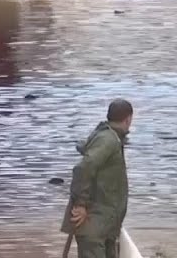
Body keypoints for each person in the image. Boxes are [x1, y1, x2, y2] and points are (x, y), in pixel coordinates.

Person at [61, 99, 132, 258]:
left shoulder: (109, 137)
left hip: (105, 226)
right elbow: (83, 168)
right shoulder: (108, 140)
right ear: (128, 119)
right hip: (94, 225)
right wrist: (80, 204)